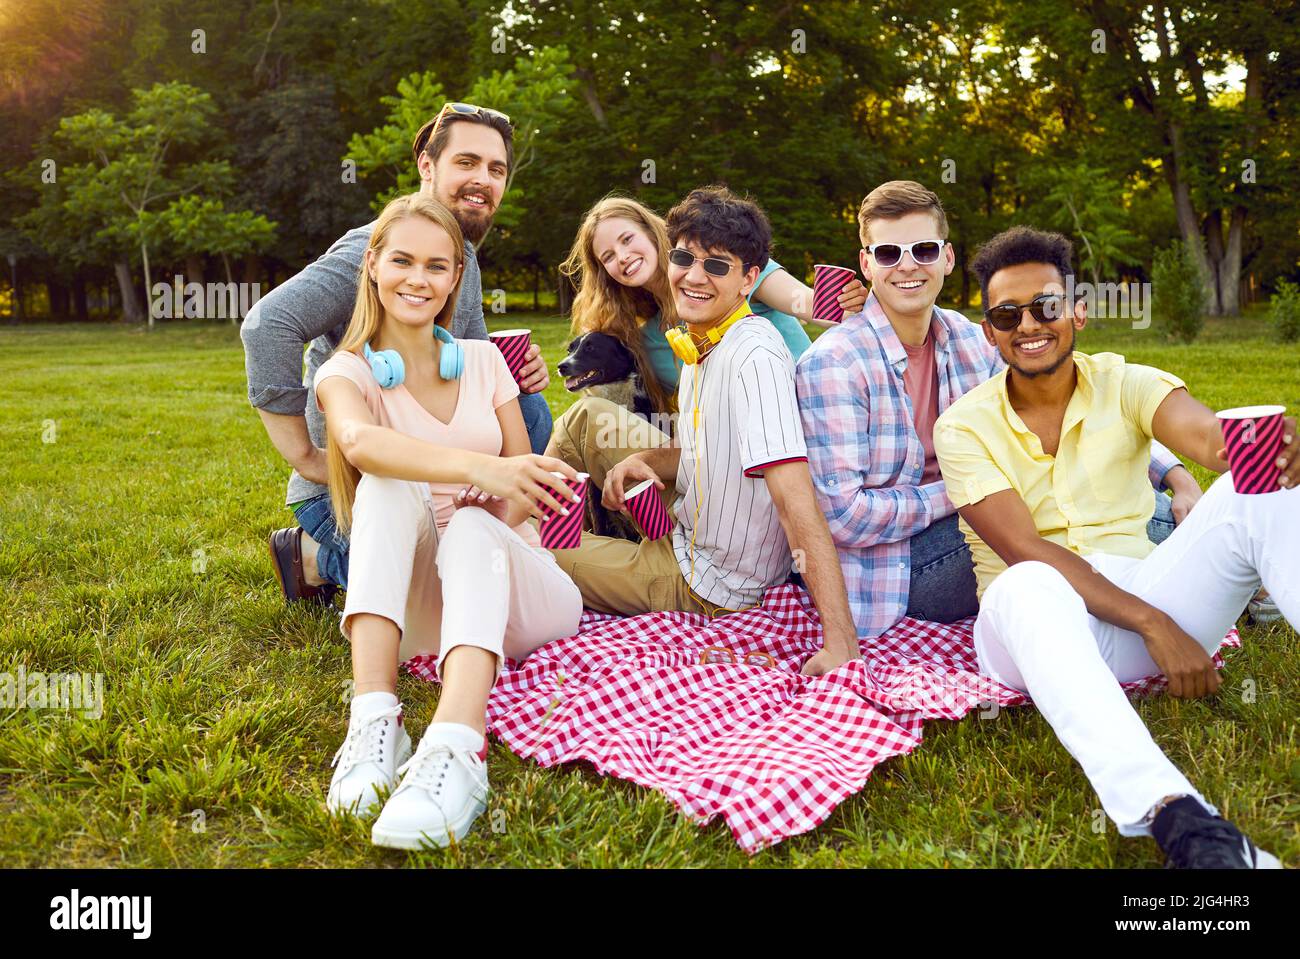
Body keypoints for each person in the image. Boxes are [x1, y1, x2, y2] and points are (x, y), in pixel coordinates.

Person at [933, 225, 1297, 868]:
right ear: (988, 331)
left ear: (1077, 310)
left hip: (1142, 596)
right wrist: (1153, 623)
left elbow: (1209, 441)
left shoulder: (1124, 381)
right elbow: (1025, 550)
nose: (1028, 325)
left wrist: (1270, 450)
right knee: (1027, 583)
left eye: (1046, 306)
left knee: (1259, 487)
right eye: (1005, 314)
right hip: (1034, 636)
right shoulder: (962, 425)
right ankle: (1179, 820)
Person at [796, 181, 1200, 641]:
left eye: (923, 249)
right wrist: (965, 489)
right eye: (889, 253)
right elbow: (843, 516)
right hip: (905, 563)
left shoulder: (974, 339)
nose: (907, 265)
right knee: (1087, 522)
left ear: (947, 258)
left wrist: (1175, 476)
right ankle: (1208, 577)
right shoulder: (834, 364)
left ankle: (1203, 567)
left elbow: (1066, 413)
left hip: (995, 511)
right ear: (867, 264)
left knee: (1125, 506)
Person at [314, 193, 583, 849]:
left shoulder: (485, 362)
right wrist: (478, 468)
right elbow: (358, 444)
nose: (418, 278)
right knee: (382, 480)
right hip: (423, 612)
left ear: (454, 278)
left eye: (437, 266)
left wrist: (493, 496)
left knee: (468, 528)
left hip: (520, 589)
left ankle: (458, 744)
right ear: (373, 264)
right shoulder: (345, 371)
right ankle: (375, 717)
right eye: (402, 260)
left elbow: (529, 487)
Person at [242, 102, 555, 603]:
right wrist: (306, 457)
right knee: (445, 591)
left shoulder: (463, 258)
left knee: (529, 409)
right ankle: (312, 557)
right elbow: (266, 324)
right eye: (466, 162)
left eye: (497, 169)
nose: (484, 179)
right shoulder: (369, 250)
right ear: (427, 167)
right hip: (358, 490)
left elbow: (469, 362)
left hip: (444, 479)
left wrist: (513, 372)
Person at [545, 186, 860, 676]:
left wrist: (840, 641)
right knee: (583, 421)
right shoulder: (697, 340)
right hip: (688, 527)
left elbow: (795, 500)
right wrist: (647, 461)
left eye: (716, 266)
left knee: (529, 551)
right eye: (684, 258)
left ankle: (535, 537)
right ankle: (557, 521)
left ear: (749, 280)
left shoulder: (753, 354)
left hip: (708, 583)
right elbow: (705, 445)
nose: (693, 276)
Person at [558, 194, 869, 417]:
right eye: (608, 257)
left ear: (652, 233)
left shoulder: (731, 270)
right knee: (586, 418)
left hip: (802, 414)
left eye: (626, 239)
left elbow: (810, 305)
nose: (622, 256)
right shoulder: (647, 338)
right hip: (723, 449)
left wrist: (848, 304)